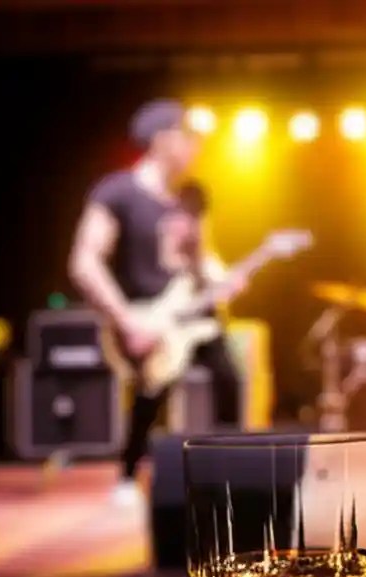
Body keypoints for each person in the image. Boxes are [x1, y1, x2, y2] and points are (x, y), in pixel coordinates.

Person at [68, 99, 244, 501]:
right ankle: (129, 473)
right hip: (147, 314)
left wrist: (223, 278)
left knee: (229, 378)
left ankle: (230, 473)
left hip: (192, 312)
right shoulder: (118, 192)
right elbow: (84, 261)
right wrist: (125, 320)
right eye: (188, 136)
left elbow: (203, 255)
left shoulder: (193, 196)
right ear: (161, 140)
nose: (197, 146)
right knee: (152, 393)